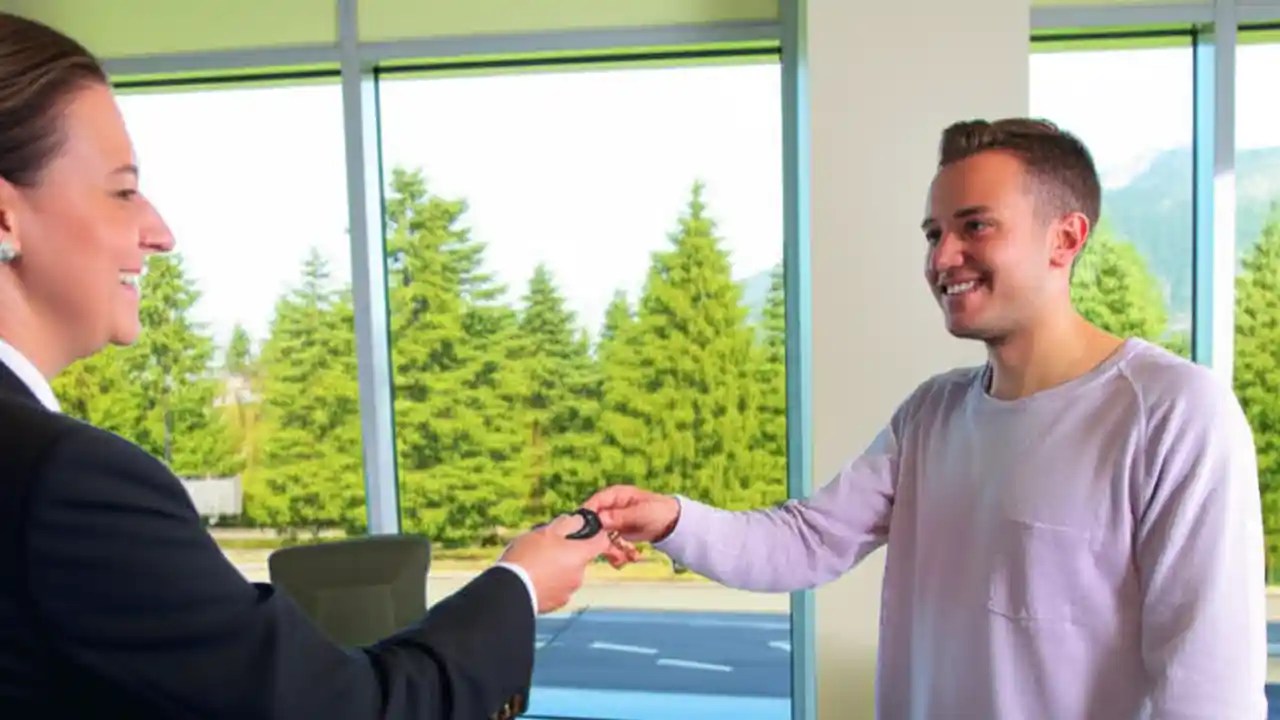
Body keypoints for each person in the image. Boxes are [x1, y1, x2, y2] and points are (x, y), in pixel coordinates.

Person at [0, 12, 611, 720]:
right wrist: (521, 584)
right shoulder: (64, 486)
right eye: (121, 190)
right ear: (7, 218)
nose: (158, 232)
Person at [586, 118, 1268, 718]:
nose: (943, 258)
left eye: (975, 226)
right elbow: (804, 542)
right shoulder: (932, 415)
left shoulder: (1174, 413)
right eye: (934, 233)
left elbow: (1206, 690)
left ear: (1065, 239)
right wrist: (671, 518)